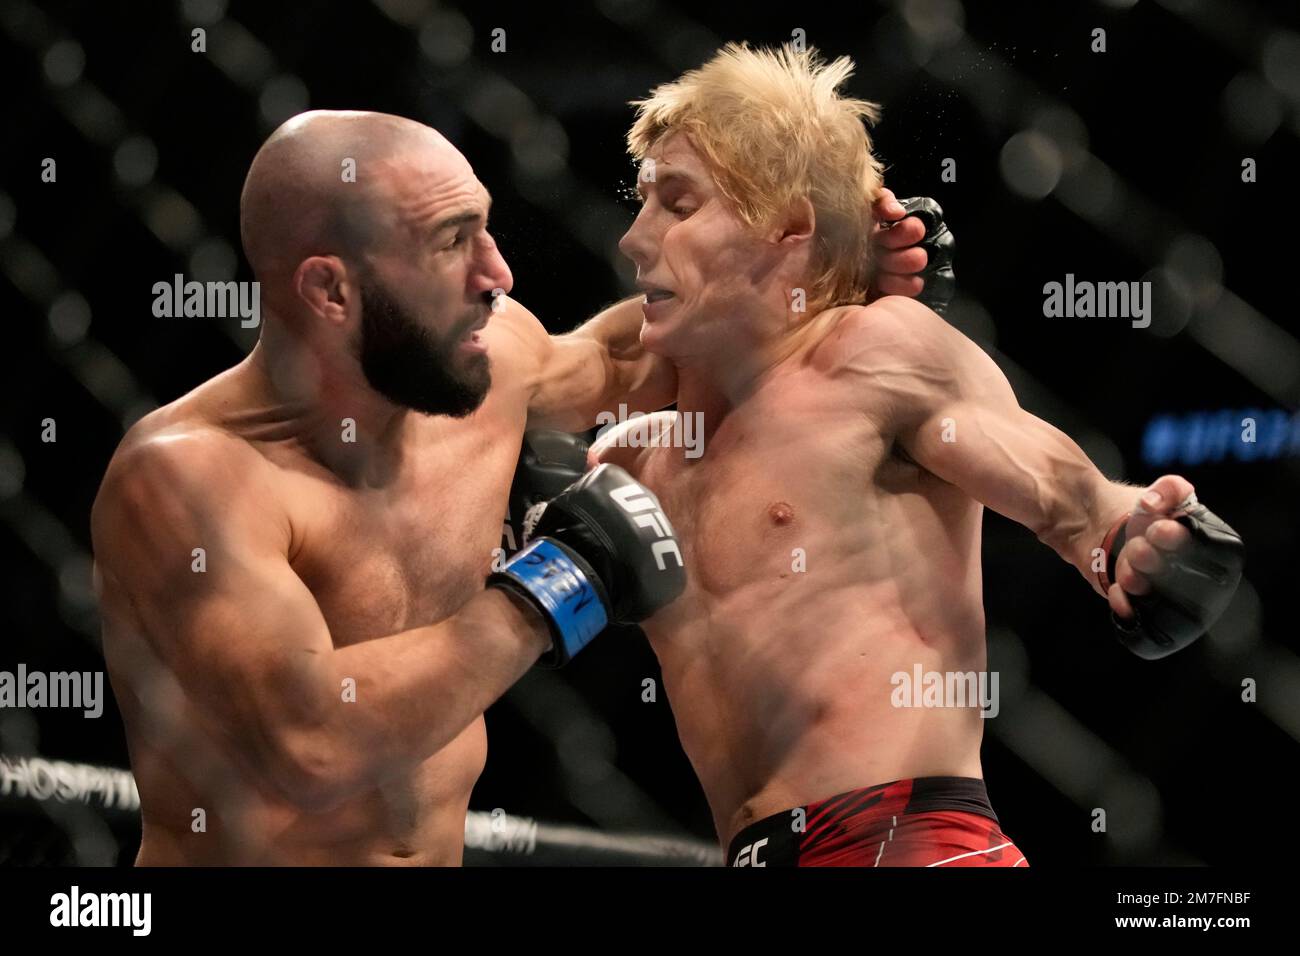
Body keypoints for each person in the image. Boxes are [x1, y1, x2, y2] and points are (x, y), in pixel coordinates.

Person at [90, 109, 935, 864]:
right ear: (331, 290)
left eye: (486, 230)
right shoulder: (187, 475)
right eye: (453, 241)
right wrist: (555, 582)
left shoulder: (495, 363)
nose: (498, 273)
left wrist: (807, 275)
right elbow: (310, 746)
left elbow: (619, 360)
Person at [587, 43, 1244, 867]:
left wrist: (1121, 531)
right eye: (642, 202)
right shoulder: (629, 464)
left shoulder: (873, 354)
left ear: (787, 226)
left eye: (677, 205)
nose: (635, 239)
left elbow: (1062, 496)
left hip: (911, 845)